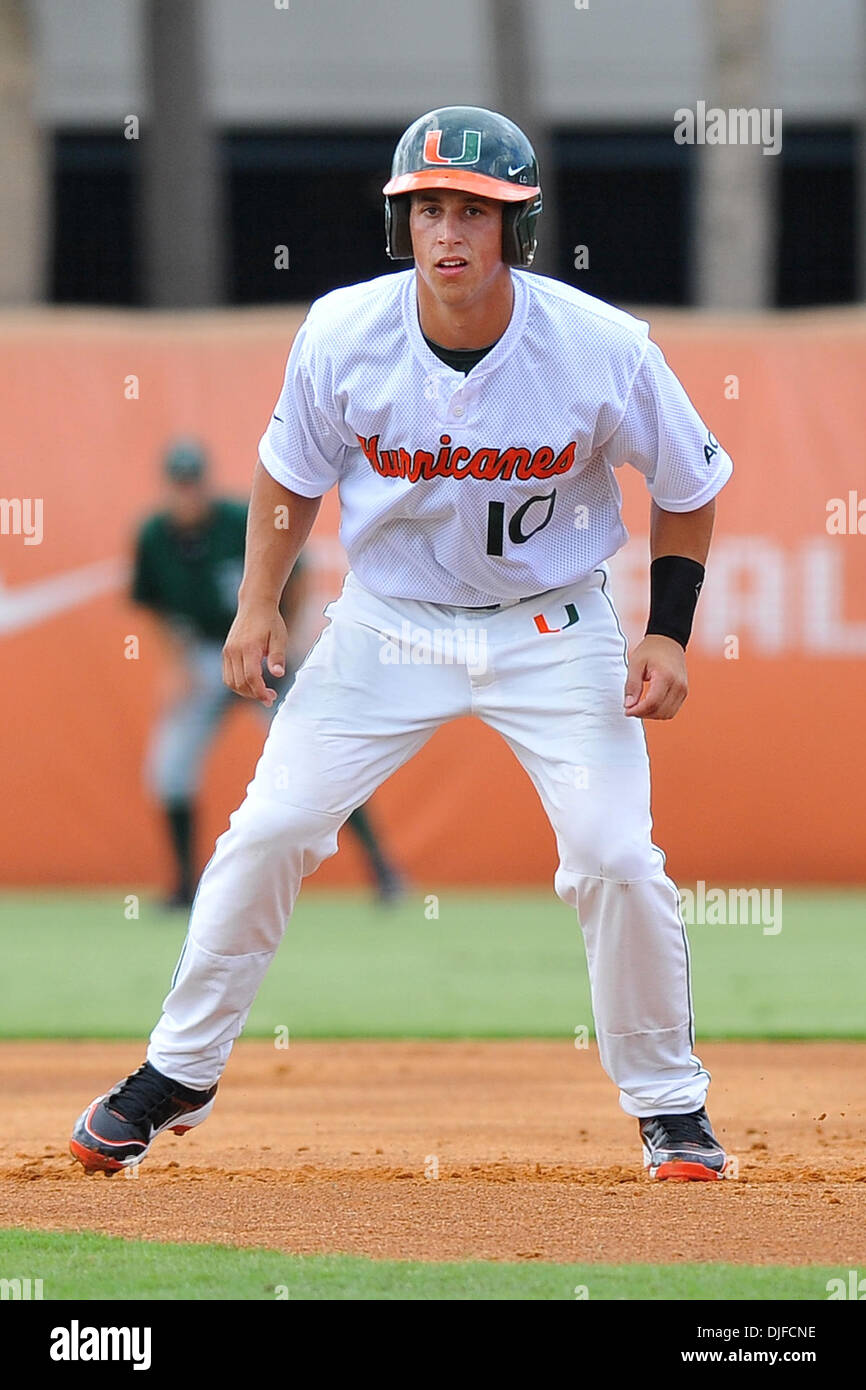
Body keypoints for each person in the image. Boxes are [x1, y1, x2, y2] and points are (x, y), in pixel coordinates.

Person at [72, 106, 732, 1183]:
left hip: (552, 628)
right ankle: (178, 1070)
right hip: (386, 625)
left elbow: (690, 483)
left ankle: (668, 1105)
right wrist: (255, 606)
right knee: (272, 825)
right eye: (428, 207)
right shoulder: (341, 331)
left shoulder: (598, 346)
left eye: (475, 209)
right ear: (402, 221)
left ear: (515, 228)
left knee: (613, 856)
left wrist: (667, 630)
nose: (448, 230)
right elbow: (288, 478)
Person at [131, 440, 403, 908]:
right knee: (171, 765)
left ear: (204, 483)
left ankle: (383, 871)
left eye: (193, 483)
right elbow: (152, 606)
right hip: (203, 653)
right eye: (179, 484)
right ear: (168, 487)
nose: (187, 493)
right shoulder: (155, 535)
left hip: (260, 651)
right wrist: (175, 665)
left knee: (318, 758)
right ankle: (183, 886)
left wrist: (289, 638)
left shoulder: (236, 521)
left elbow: (295, 571)